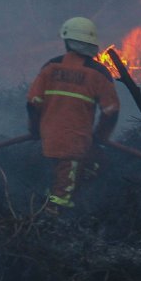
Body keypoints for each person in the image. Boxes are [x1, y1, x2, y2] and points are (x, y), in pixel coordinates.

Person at [27, 16, 121, 213]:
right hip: (75, 145)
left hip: (48, 141)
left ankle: (57, 203)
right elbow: (111, 111)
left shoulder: (50, 67)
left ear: (67, 41)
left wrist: (35, 131)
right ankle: (51, 219)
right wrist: (99, 137)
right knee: (63, 194)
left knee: (93, 164)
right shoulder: (98, 73)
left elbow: (33, 103)